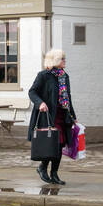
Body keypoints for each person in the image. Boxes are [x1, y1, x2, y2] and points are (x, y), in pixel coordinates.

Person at [27, 48, 76, 185]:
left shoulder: (64, 76)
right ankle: (42, 167)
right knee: (52, 144)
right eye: (62, 59)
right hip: (48, 115)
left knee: (59, 145)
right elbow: (32, 92)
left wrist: (73, 116)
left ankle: (54, 174)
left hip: (62, 115)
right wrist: (40, 103)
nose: (65, 61)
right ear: (55, 61)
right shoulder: (43, 75)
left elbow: (68, 98)